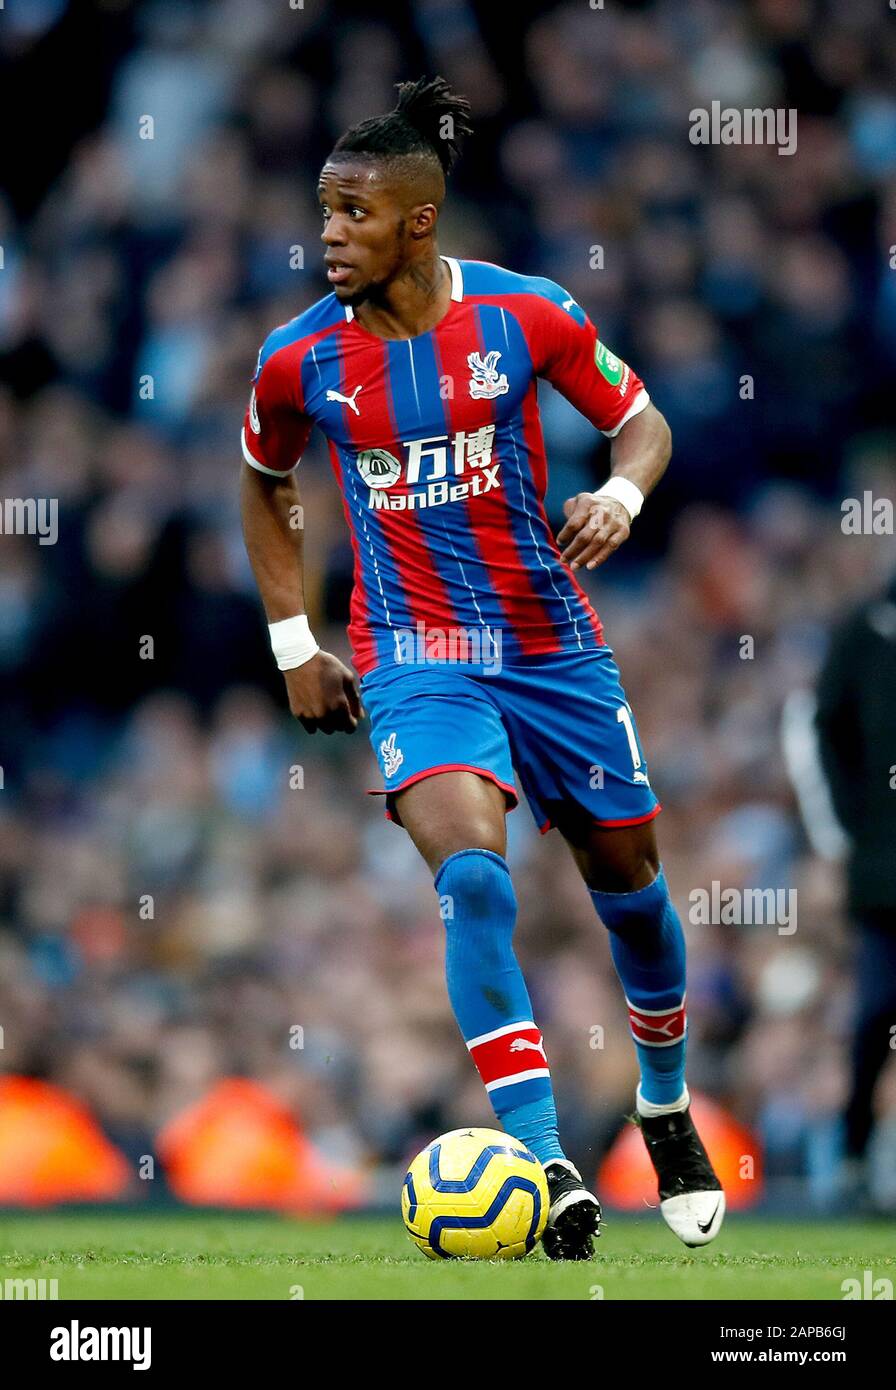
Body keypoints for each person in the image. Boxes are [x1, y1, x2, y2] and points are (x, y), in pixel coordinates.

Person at [239, 76, 724, 1258]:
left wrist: (619, 491)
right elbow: (263, 480)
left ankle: (660, 1102)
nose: (329, 234)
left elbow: (642, 418)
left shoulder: (522, 314)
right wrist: (295, 638)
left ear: (418, 221)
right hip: (410, 652)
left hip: (550, 643)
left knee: (636, 899)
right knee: (472, 881)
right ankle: (545, 1156)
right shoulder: (296, 357)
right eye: (322, 210)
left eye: (353, 212)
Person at [815, 571, 896, 1202]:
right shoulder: (866, 626)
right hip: (884, 876)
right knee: (876, 1013)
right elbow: (821, 729)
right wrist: (851, 830)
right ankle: (853, 1155)